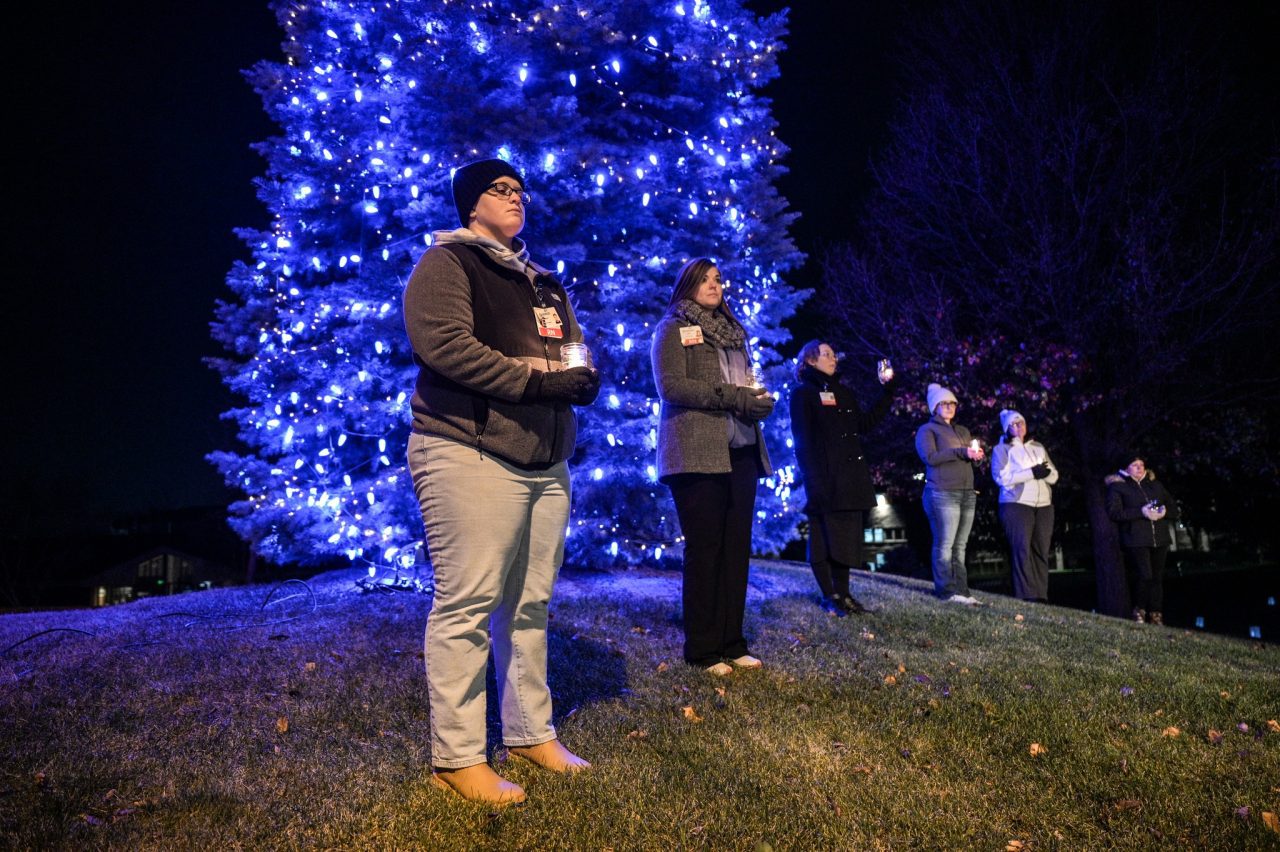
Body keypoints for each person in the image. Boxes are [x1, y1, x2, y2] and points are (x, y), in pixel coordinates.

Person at [403, 158, 599, 805]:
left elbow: (567, 347)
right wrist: (537, 383)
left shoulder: (543, 282)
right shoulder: (449, 264)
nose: (517, 198)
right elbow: (444, 345)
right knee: (466, 606)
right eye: (501, 189)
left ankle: (528, 732)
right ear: (470, 204)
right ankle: (457, 757)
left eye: (521, 190)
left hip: (545, 460)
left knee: (530, 606)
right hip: (468, 449)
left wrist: (579, 374)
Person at [650, 257, 774, 676]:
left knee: (736, 549)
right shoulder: (672, 328)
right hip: (697, 451)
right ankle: (703, 650)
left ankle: (732, 642)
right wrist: (732, 397)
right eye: (704, 279)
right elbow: (672, 386)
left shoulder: (736, 335)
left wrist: (756, 401)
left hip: (740, 450)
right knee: (706, 549)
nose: (713, 284)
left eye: (717, 278)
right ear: (687, 284)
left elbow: (746, 383)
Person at [788, 342, 894, 616]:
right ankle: (830, 595)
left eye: (834, 354)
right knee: (823, 538)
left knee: (844, 539)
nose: (833, 358)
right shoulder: (804, 394)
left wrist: (887, 392)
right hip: (823, 477)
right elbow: (803, 441)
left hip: (849, 477)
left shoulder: (842, 392)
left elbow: (864, 424)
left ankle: (844, 595)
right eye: (826, 354)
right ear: (810, 360)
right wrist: (813, 479)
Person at [915, 383, 985, 604]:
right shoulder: (928, 430)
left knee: (960, 545)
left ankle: (962, 592)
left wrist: (975, 455)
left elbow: (964, 456)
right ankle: (946, 591)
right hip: (942, 492)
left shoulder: (962, 430)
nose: (949, 407)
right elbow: (930, 458)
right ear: (934, 407)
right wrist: (960, 451)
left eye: (952, 403)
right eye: (944, 403)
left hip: (966, 491)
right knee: (945, 543)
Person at [990, 410, 1059, 602]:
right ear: (1007, 428)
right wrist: (1031, 473)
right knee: (1022, 549)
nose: (1019, 427)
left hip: (1044, 505)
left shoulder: (1038, 446)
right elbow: (1001, 478)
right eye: (1014, 424)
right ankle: (1027, 595)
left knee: (1041, 550)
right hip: (1016, 504)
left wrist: (1043, 473)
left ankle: (1041, 596)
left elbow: (1054, 475)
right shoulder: (1001, 449)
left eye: (1022, 423)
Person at [1106, 453, 1179, 625]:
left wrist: (1164, 512)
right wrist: (1141, 512)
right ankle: (1139, 610)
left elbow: (1173, 508)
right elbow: (1114, 513)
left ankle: (1156, 614)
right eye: (1134, 464)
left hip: (1160, 539)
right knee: (1145, 575)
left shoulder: (1156, 486)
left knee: (1157, 578)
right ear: (1126, 468)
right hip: (1136, 538)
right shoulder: (1118, 487)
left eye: (1141, 464)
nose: (1139, 467)